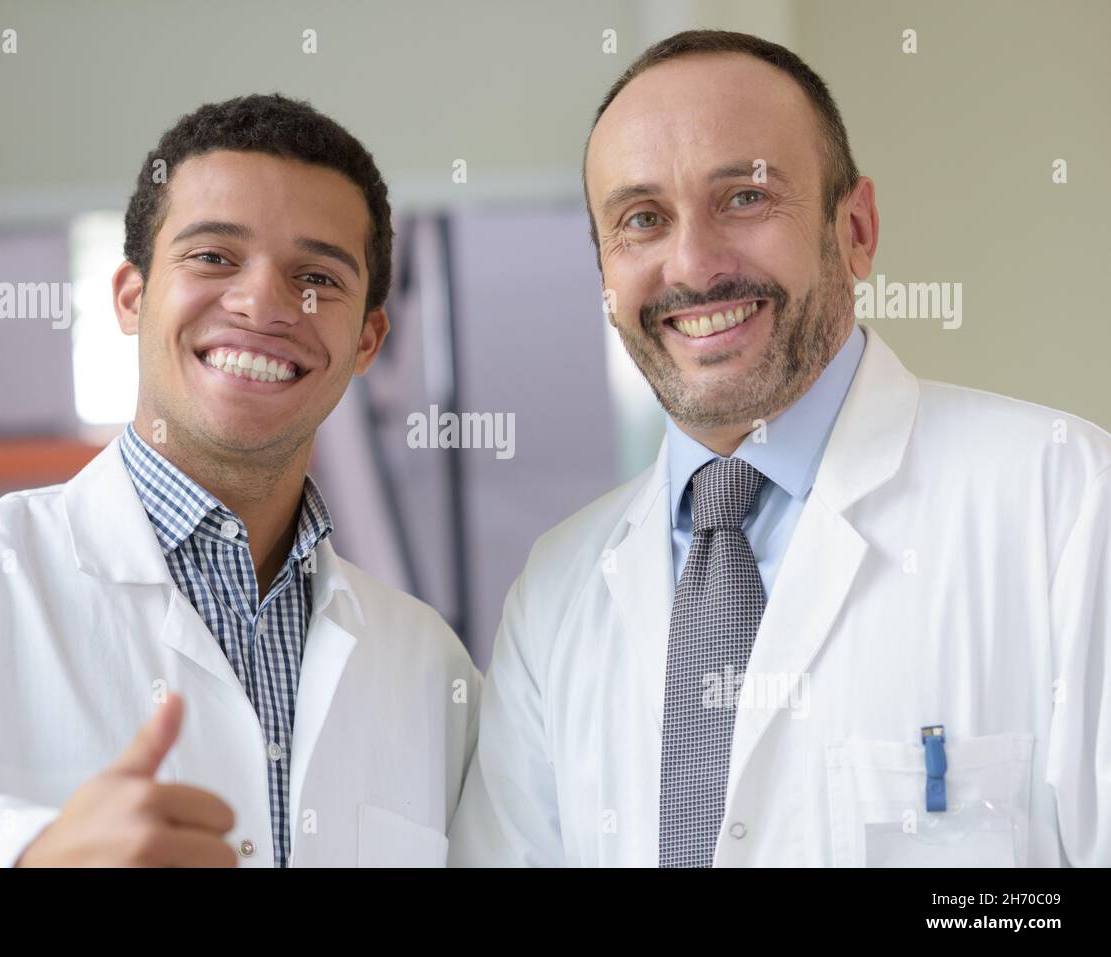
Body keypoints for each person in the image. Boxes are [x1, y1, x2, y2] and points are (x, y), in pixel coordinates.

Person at [448, 30, 1111, 867]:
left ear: (857, 229)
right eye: (642, 220)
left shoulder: (1068, 505)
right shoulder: (554, 594)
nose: (693, 265)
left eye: (745, 198)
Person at [0, 94, 479, 868]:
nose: (262, 301)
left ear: (367, 339)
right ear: (131, 297)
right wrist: (28, 859)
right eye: (213, 256)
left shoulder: (431, 668)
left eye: (318, 277)